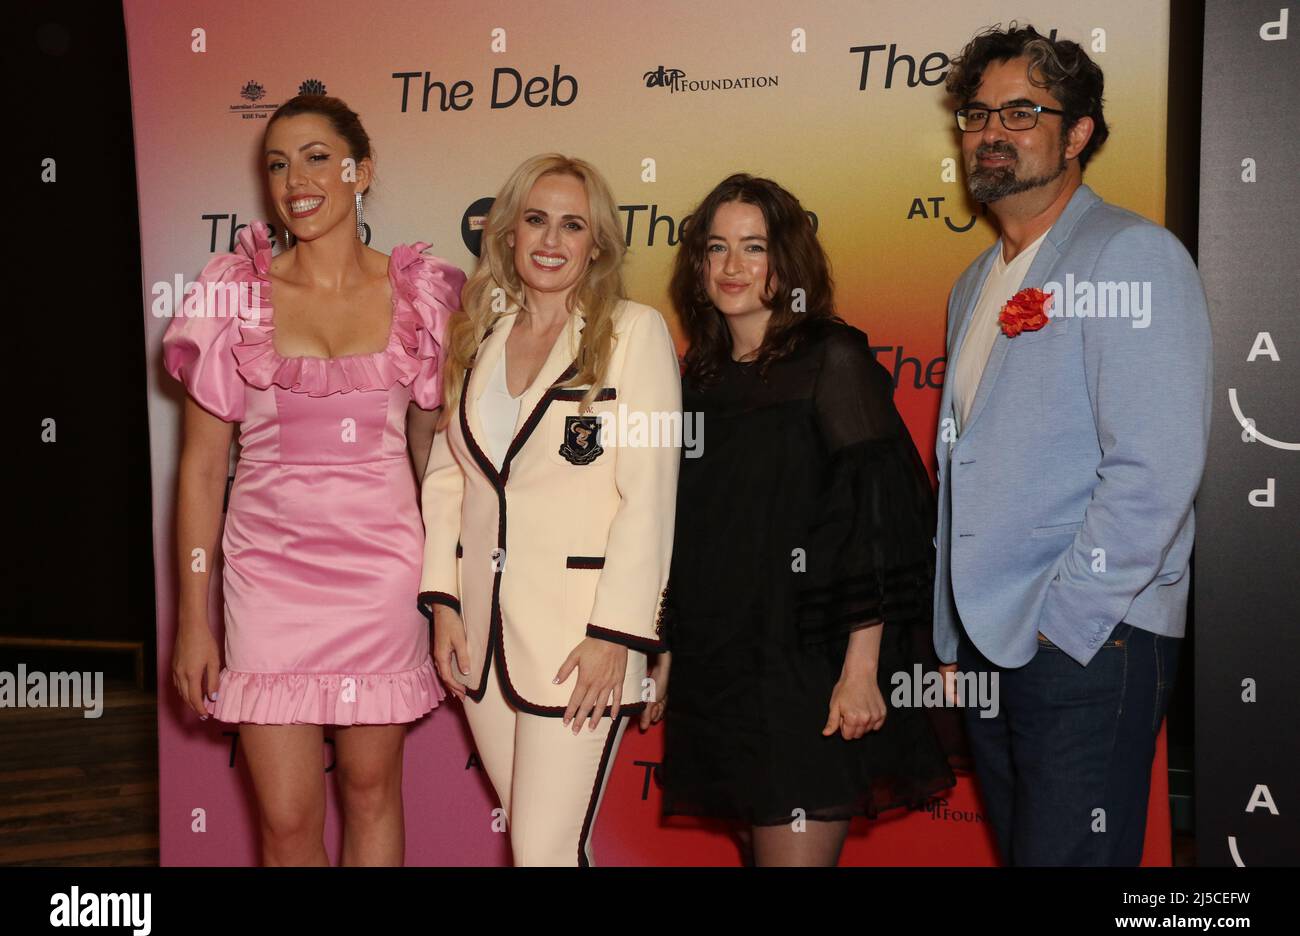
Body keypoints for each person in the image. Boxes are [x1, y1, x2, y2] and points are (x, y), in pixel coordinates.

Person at [933, 25, 1212, 865]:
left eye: (1022, 113)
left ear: (1078, 132)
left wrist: (1065, 624)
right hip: (991, 644)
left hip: (1091, 639)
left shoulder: (1132, 254)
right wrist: (955, 637)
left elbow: (1155, 468)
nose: (991, 132)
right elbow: (967, 468)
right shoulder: (974, 282)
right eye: (978, 114)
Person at [164, 94, 465, 865]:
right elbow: (200, 471)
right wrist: (193, 620)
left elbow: (435, 462)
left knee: (371, 795)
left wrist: (450, 590)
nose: (295, 179)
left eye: (316, 156)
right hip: (269, 579)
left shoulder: (423, 293)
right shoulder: (233, 293)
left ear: (361, 170)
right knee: (288, 823)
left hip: (383, 575)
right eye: (276, 163)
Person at [654, 173, 956, 867]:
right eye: (717, 248)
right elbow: (685, 534)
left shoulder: (831, 360)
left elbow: (877, 521)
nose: (732, 267)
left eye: (754, 248)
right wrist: (667, 649)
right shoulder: (693, 380)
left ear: (787, 263)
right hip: (720, 666)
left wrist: (862, 668)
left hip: (808, 669)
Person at [418, 154, 681, 866]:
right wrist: (443, 603)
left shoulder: (634, 333)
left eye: (573, 225)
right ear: (507, 232)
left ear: (596, 244)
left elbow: (649, 497)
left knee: (543, 852)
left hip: (580, 644)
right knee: (546, 853)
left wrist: (618, 635)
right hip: (481, 642)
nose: (552, 239)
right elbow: (449, 481)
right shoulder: (477, 335)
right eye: (536, 219)